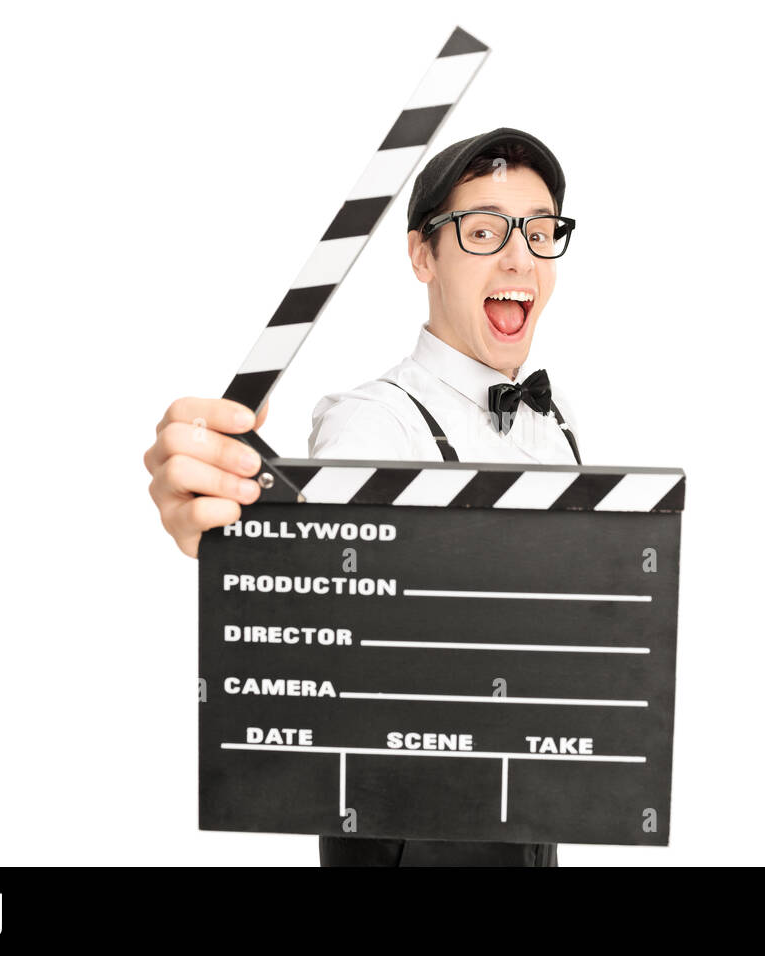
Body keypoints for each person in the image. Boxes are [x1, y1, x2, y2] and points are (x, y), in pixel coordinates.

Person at [144, 128, 581, 866]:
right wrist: (232, 524)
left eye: (540, 234)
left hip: (531, 812)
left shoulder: (555, 417)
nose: (519, 258)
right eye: (484, 232)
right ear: (422, 255)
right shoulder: (371, 421)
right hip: (409, 828)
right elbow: (322, 595)